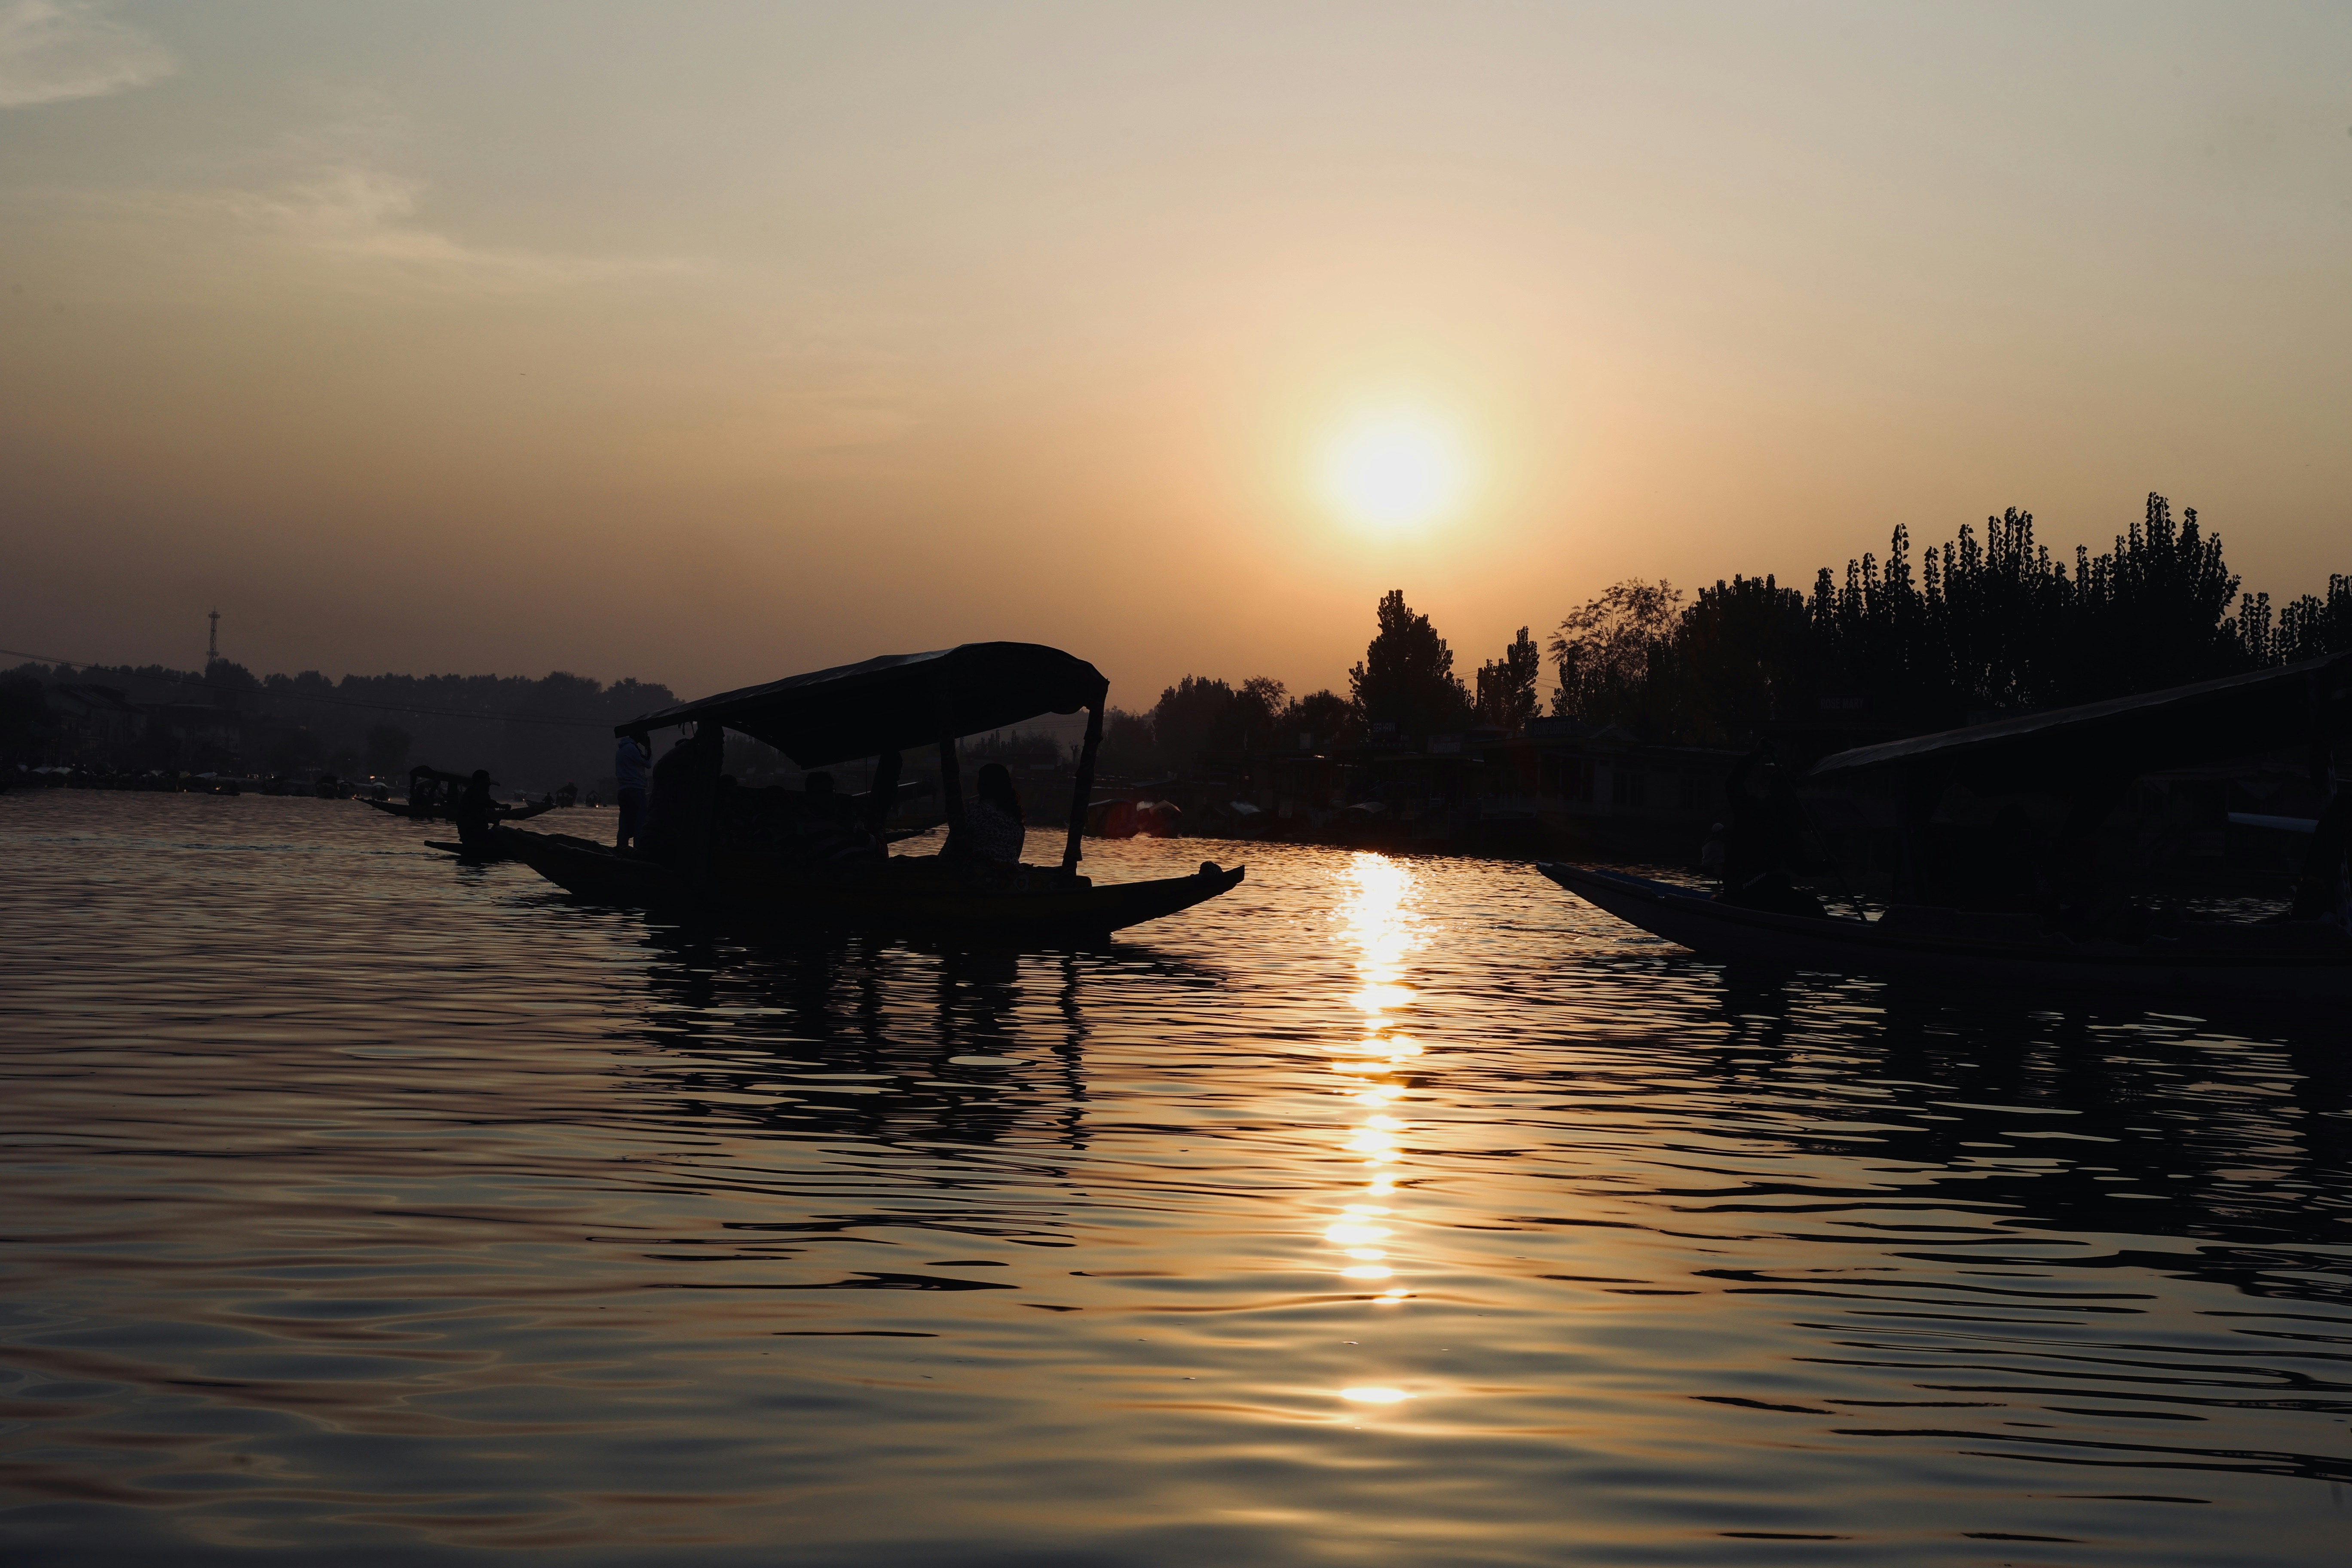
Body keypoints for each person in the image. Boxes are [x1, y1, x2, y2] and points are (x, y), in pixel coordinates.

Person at [946, 763, 1025, 865]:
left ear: (982, 786)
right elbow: (1015, 854)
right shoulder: (1016, 820)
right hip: (1010, 875)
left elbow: (950, 851)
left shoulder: (971, 814)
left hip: (978, 875)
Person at [614, 729, 651, 851]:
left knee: (624, 823)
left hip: (624, 791)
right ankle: (638, 852)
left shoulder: (622, 750)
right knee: (640, 824)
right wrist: (648, 747)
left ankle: (621, 849)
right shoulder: (632, 749)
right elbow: (648, 762)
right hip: (636, 790)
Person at [454, 769, 497, 851]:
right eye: (488, 780)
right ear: (481, 781)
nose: (490, 784)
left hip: (475, 830)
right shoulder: (475, 792)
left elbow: (478, 812)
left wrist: (491, 820)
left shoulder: (476, 791)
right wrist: (500, 806)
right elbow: (484, 804)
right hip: (471, 831)